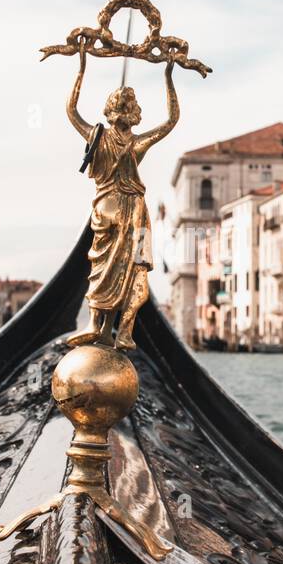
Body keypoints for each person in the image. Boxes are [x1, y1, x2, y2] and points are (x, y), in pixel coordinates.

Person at [66, 40, 178, 350]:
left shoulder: (104, 137)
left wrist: (82, 66)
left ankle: (113, 328)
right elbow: (171, 122)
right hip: (123, 208)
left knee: (120, 267)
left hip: (119, 209)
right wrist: (168, 77)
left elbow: (71, 110)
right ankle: (110, 328)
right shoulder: (119, 140)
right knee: (120, 267)